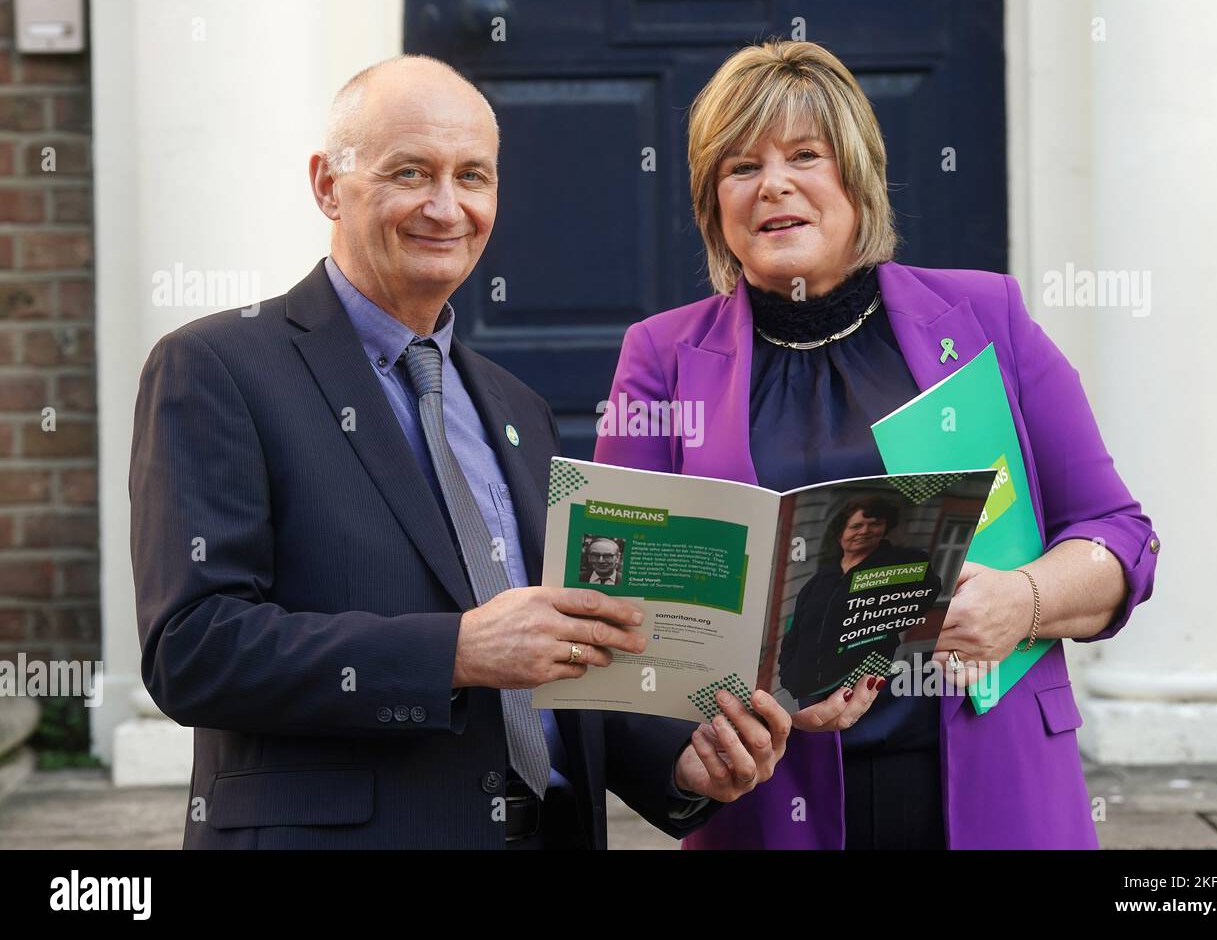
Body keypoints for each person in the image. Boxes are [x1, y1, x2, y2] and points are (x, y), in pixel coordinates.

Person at [129, 54, 789, 850]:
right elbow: (194, 649)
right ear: (327, 185)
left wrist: (683, 766)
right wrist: (456, 651)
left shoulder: (519, 408)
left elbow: (564, 662)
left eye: (472, 177)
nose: (447, 207)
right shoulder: (218, 368)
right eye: (411, 172)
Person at [594, 40, 1159, 849]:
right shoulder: (661, 356)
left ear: (856, 177)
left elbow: (1119, 537)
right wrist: (767, 689)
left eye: (804, 155)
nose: (774, 184)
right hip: (773, 797)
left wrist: (1022, 602)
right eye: (740, 167)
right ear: (713, 203)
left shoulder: (985, 317)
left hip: (996, 779)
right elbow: (625, 606)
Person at [777, 497, 942, 701]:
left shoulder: (901, 562)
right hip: (809, 686)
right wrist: (788, 673)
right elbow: (796, 632)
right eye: (856, 526)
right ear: (840, 535)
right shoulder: (819, 580)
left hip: (862, 678)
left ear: (886, 527)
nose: (865, 531)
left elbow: (926, 594)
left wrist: (885, 618)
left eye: (875, 524)